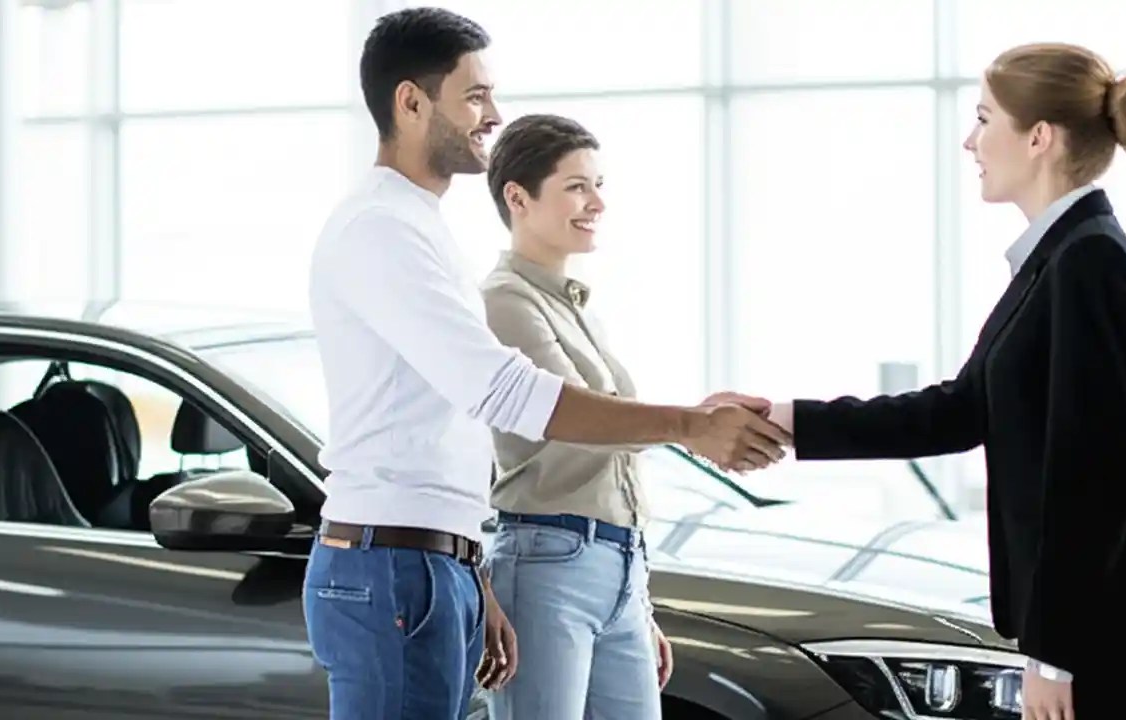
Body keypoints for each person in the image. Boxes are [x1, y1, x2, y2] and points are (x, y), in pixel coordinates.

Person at [302, 8, 792, 720]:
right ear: (410, 102)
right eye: (474, 96)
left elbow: (450, 429)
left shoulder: (418, 226)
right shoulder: (381, 229)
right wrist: (689, 424)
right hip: (394, 567)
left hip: (430, 561)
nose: (493, 115)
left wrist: (472, 570)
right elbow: (504, 394)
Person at [763, 42, 1126, 719]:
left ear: (1039, 137)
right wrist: (786, 417)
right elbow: (957, 412)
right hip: (1089, 621)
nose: (969, 140)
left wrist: (1055, 653)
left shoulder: (1088, 262)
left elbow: (1095, 476)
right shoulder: (1059, 257)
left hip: (1097, 626)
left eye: (985, 119)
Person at [477, 114, 668, 718]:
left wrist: (634, 599)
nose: (598, 203)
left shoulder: (577, 306)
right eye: (577, 186)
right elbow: (573, 416)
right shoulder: (505, 301)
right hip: (547, 564)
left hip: (618, 563)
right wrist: (692, 424)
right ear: (518, 197)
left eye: (599, 184)